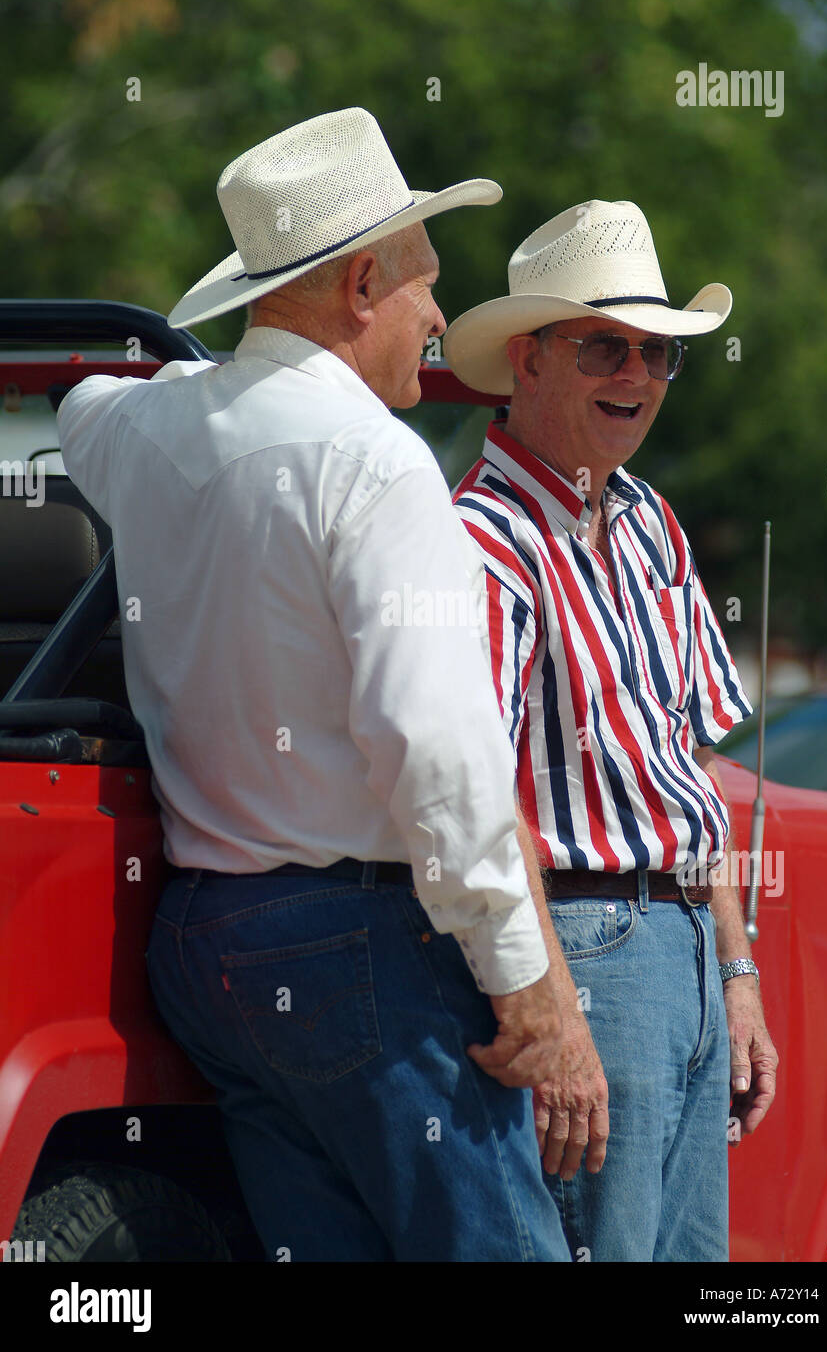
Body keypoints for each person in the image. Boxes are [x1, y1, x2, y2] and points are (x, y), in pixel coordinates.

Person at [56, 108, 575, 1262]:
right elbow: (435, 745)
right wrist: (523, 978)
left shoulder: (143, 429)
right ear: (359, 286)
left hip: (207, 937)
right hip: (357, 949)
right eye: (424, 281)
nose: (439, 316)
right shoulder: (379, 464)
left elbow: (84, 407)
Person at [448, 200, 779, 1262]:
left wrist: (734, 976)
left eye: (653, 353)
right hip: (586, 946)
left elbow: (688, 761)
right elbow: (475, 802)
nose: (633, 374)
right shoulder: (482, 540)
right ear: (527, 360)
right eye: (603, 345)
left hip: (676, 948)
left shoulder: (647, 518)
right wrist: (552, 1011)